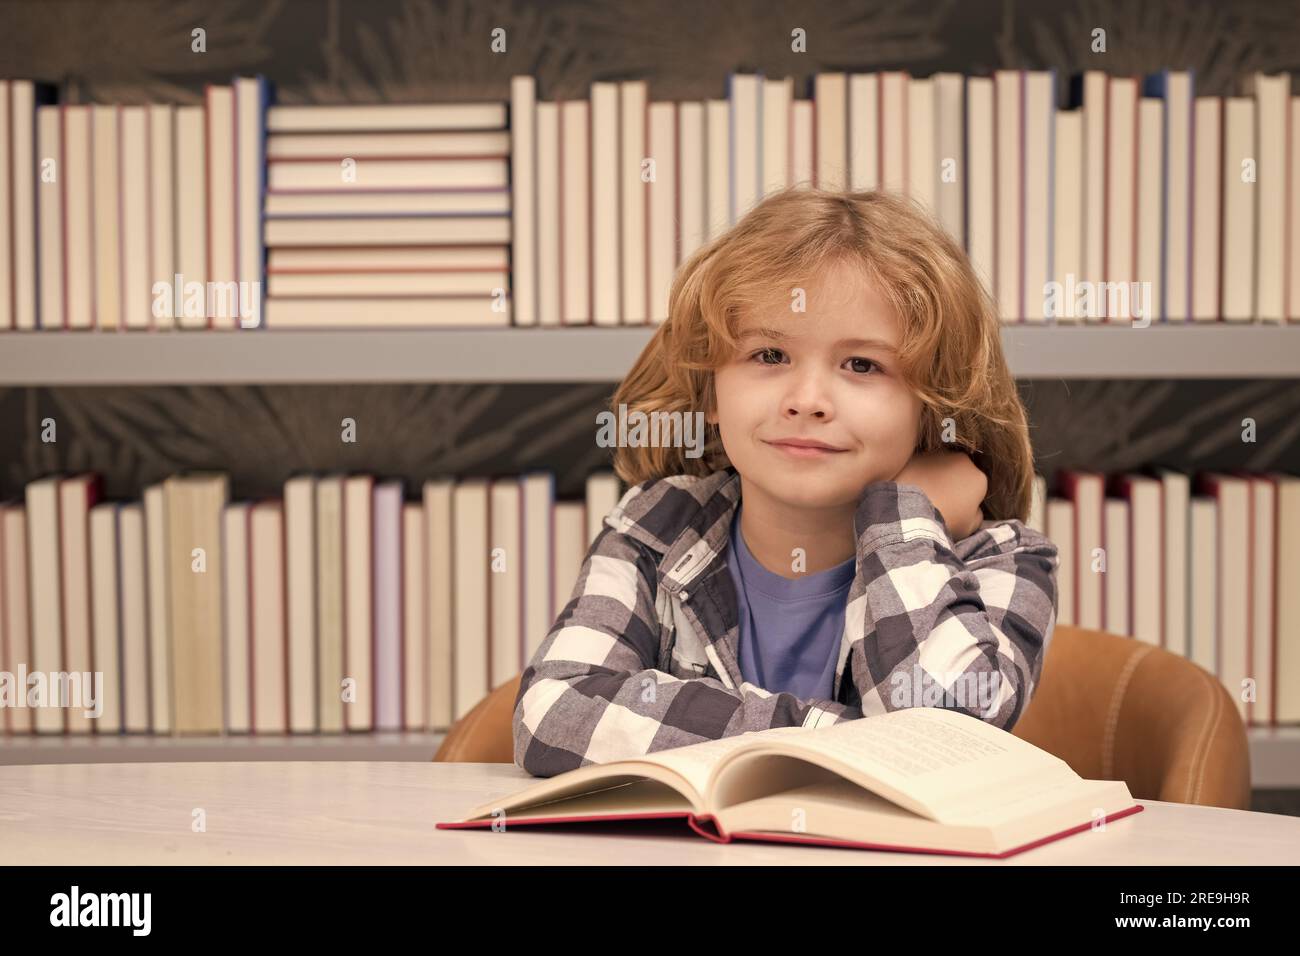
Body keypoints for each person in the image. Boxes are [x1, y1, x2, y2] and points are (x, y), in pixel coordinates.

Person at [513, 187, 1059, 778]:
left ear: (933, 407)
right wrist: (846, 743)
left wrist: (905, 517)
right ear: (711, 391)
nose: (806, 401)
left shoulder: (1003, 562)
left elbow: (945, 738)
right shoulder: (654, 528)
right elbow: (555, 715)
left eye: (862, 365)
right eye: (770, 355)